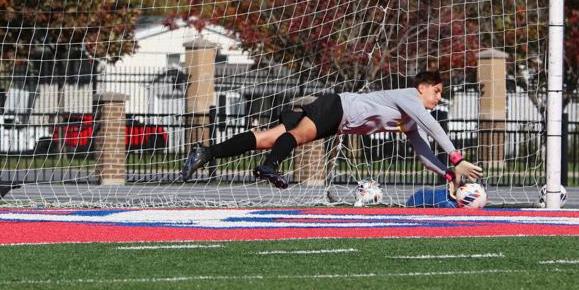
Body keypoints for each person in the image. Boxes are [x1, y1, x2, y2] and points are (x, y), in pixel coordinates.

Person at [180, 70, 482, 192]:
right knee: (295, 138)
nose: (438, 98)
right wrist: (456, 159)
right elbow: (433, 126)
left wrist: (446, 174)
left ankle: (206, 152)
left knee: (266, 139)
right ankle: (270, 167)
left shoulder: (410, 119)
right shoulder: (410, 97)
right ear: (423, 88)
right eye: (437, 91)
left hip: (334, 117)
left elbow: (423, 151)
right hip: (336, 107)